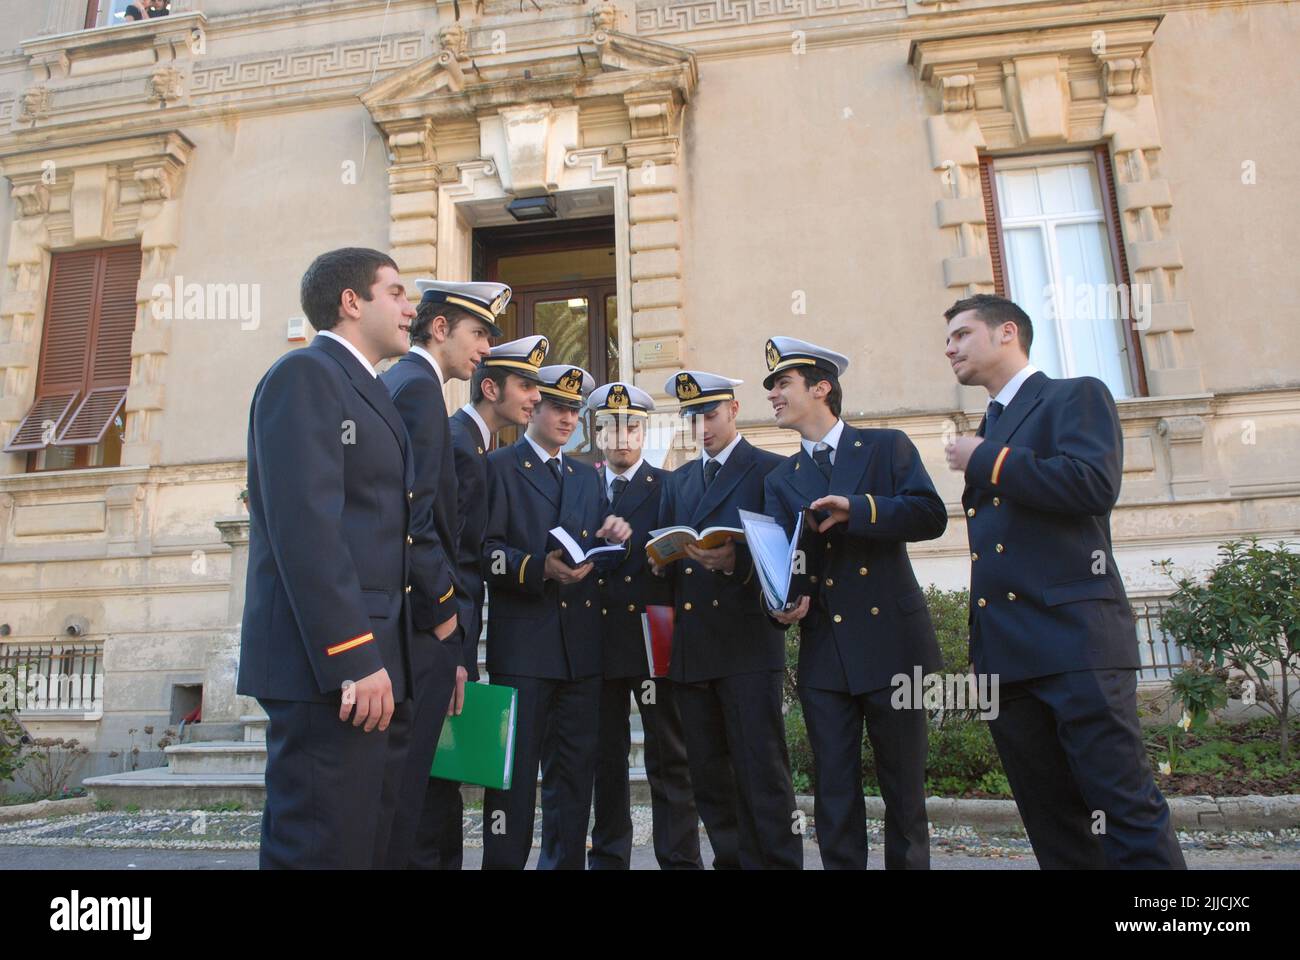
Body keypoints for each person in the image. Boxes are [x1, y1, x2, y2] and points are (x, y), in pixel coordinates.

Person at [942, 293, 1185, 869]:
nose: (949, 347)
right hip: (1009, 655)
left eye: (961, 334)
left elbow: (1091, 486)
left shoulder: (1074, 395)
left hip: (1076, 642)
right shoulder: (991, 423)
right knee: (1052, 821)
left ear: (1007, 332)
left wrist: (989, 460)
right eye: (947, 338)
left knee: (1122, 807)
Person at [238, 247, 417, 869]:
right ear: (351, 302)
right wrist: (354, 655)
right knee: (321, 851)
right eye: (395, 292)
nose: (409, 306)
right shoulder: (306, 375)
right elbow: (306, 527)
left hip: (375, 666)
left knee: (362, 849)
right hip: (333, 672)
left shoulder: (367, 388)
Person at [761, 337, 946, 869]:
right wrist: (781, 603)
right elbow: (784, 559)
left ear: (821, 388)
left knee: (904, 790)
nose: (772, 394)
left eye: (782, 384)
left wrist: (860, 509)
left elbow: (930, 516)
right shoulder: (782, 477)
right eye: (771, 385)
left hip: (892, 645)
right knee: (834, 794)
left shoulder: (886, 447)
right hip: (826, 654)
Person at [480, 365, 632, 868]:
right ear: (534, 408)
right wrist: (535, 567)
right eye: (559, 407)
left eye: (575, 410)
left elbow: (589, 547)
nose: (570, 418)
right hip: (524, 650)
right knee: (513, 781)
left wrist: (611, 537)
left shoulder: (586, 476)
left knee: (573, 782)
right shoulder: (498, 467)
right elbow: (483, 554)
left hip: (580, 654)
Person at [380, 280, 507, 868]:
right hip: (419, 626)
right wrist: (446, 622)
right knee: (407, 800)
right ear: (439, 328)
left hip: (416, 620)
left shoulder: (410, 383)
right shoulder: (419, 390)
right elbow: (418, 518)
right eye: (478, 333)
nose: (484, 348)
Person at [652, 371, 802, 869]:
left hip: (746, 647)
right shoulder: (678, 480)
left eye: (710, 414)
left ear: (734, 410)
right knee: (710, 777)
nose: (701, 427)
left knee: (762, 774)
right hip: (693, 653)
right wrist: (660, 559)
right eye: (691, 417)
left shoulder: (770, 471)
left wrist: (737, 564)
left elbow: (787, 562)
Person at [415, 332, 548, 869]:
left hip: (452, 633)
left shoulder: (475, 445)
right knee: (432, 788)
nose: (535, 399)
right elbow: (451, 559)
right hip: (441, 636)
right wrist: (458, 652)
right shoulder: (460, 448)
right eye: (525, 386)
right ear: (490, 387)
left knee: (440, 785)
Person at [587, 382, 702, 870]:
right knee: (604, 759)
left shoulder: (669, 487)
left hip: (654, 638)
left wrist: (666, 563)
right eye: (610, 427)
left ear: (644, 430)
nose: (621, 438)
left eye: (631, 426)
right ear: (596, 433)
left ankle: (679, 858)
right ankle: (609, 857)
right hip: (597, 640)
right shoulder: (578, 486)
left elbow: (685, 558)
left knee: (669, 756)